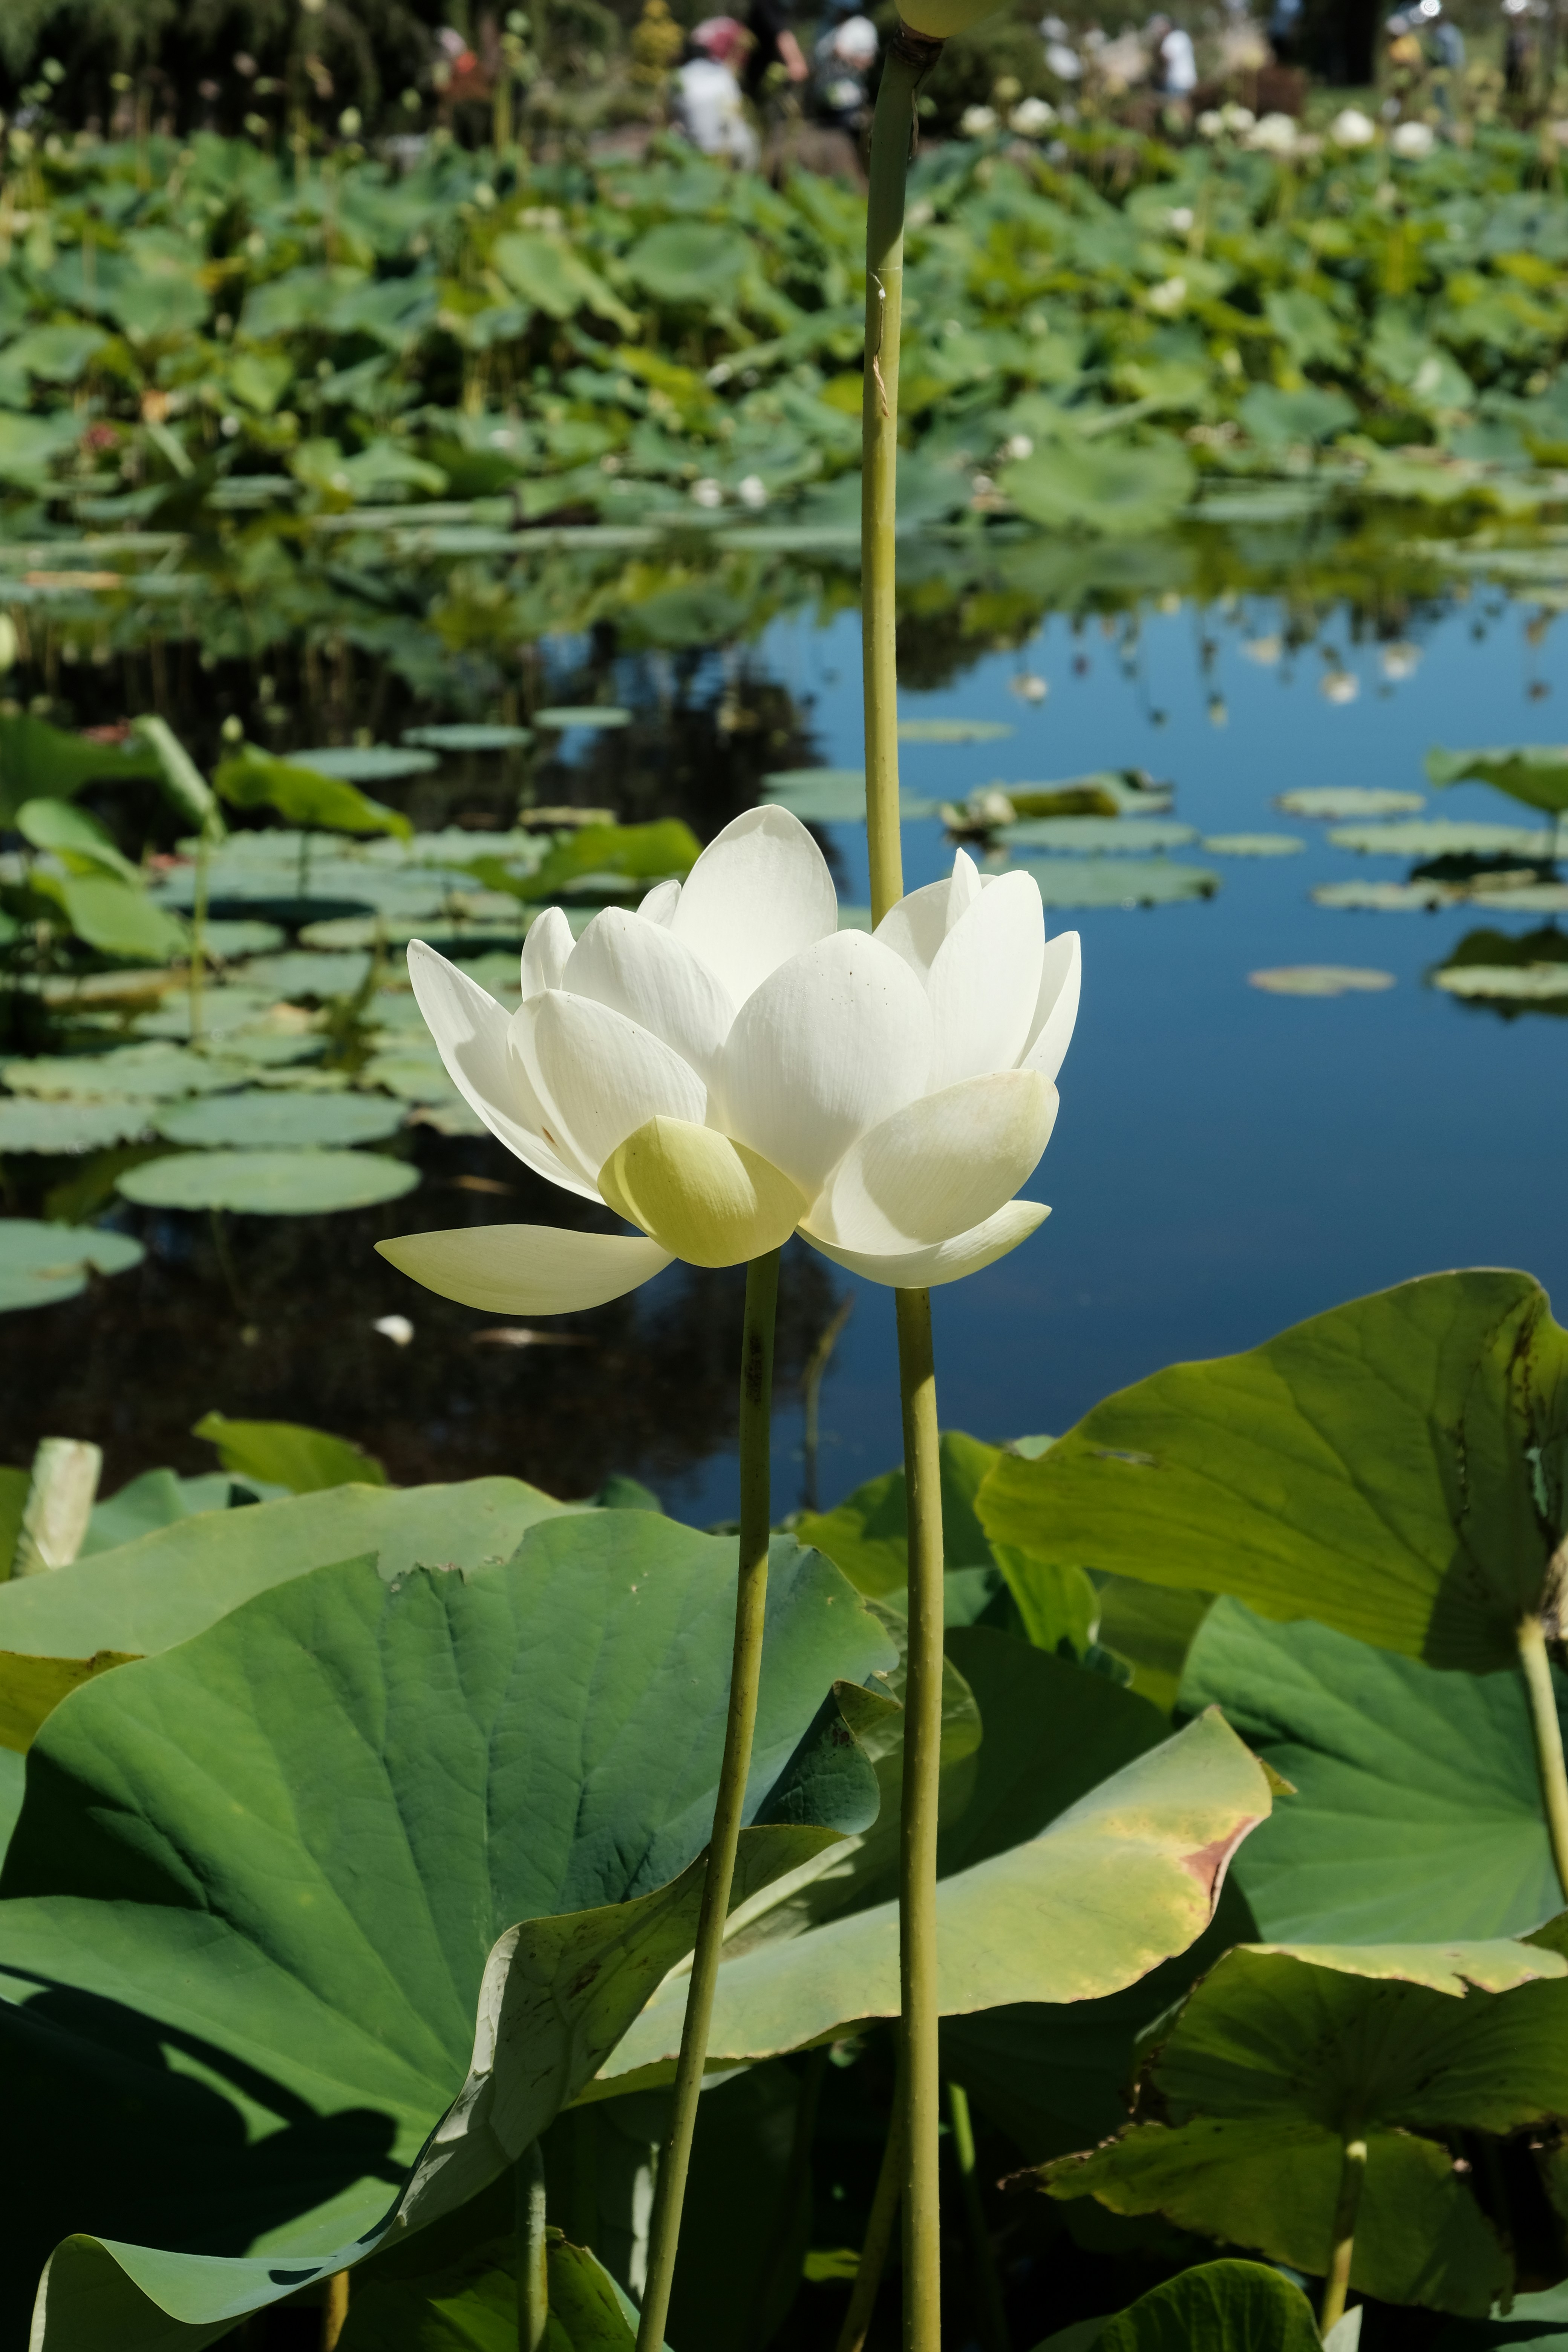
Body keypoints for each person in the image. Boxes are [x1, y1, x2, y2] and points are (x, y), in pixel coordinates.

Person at [672, 17, 760, 164]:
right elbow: (736, 113)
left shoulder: (678, 77)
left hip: (696, 150)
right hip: (728, 149)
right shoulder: (723, 75)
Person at [810, 12, 878, 131]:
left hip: (849, 101)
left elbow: (869, 62)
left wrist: (845, 56)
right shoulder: (824, 25)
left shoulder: (862, 27)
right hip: (822, 101)